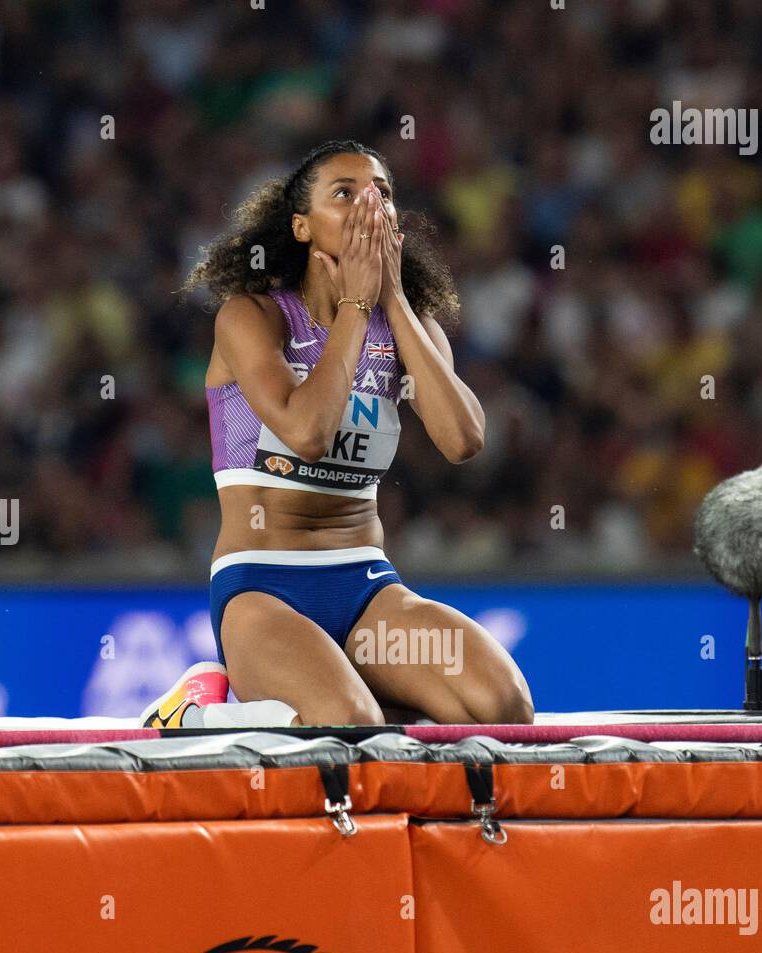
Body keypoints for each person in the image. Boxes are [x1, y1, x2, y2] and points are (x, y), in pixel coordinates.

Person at [142, 139, 534, 729]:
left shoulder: (407, 325)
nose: (367, 206)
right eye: (344, 194)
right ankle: (197, 715)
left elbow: (463, 441)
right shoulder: (252, 316)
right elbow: (306, 433)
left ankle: (360, 696)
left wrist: (394, 299)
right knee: (349, 728)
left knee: (503, 706)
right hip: (263, 585)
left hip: (365, 583)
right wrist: (354, 303)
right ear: (302, 227)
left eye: (382, 194)